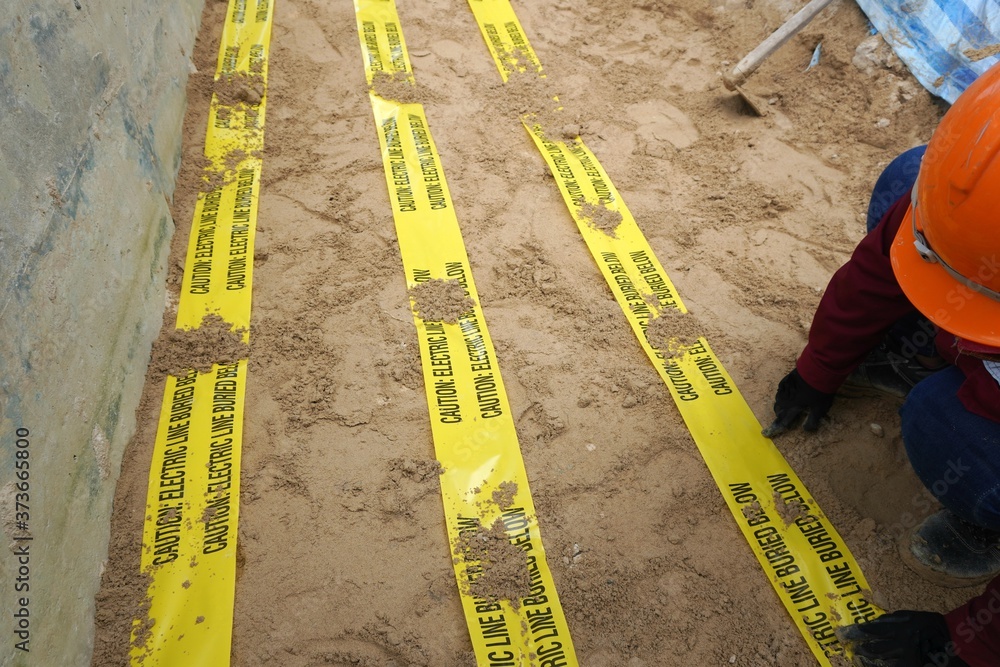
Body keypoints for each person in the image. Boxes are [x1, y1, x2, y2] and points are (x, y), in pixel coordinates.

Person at [764, 60, 1000, 665]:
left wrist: (966, 643)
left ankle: (986, 520)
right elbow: (876, 272)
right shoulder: (979, 189)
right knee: (908, 180)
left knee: (941, 420)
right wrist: (820, 368)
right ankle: (934, 351)